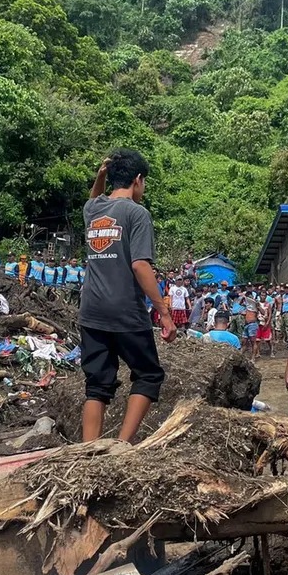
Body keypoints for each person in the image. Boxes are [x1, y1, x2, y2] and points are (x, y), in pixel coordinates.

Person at [79, 149, 174, 443]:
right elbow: (140, 265)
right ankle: (122, 444)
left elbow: (94, 198)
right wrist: (164, 313)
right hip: (125, 312)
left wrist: (100, 176)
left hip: (91, 312)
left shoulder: (93, 210)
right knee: (148, 375)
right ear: (138, 179)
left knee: (97, 384)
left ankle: (87, 450)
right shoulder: (137, 213)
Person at [258, 291, 274, 357]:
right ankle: (258, 353)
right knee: (257, 339)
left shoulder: (268, 304)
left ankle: (272, 351)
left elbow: (270, 314)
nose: (263, 297)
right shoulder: (257, 303)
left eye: (264, 295)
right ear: (259, 296)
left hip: (265, 322)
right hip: (258, 322)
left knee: (268, 339)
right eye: (262, 295)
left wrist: (268, 323)